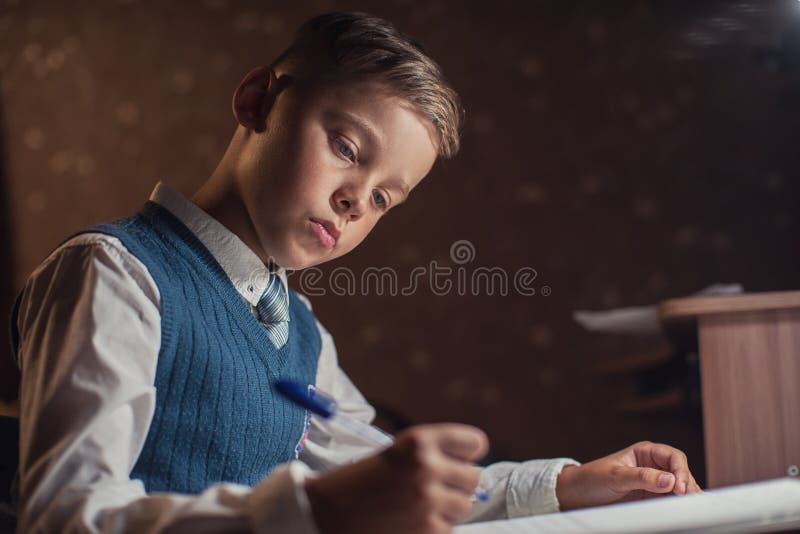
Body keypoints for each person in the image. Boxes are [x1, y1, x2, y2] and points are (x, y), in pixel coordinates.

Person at [10, 11, 701, 534]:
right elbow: (67, 515)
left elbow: (387, 475)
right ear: (257, 101)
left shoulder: (301, 333)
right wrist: (313, 510)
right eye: (346, 148)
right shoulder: (116, 274)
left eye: (382, 199)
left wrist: (571, 484)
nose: (354, 201)